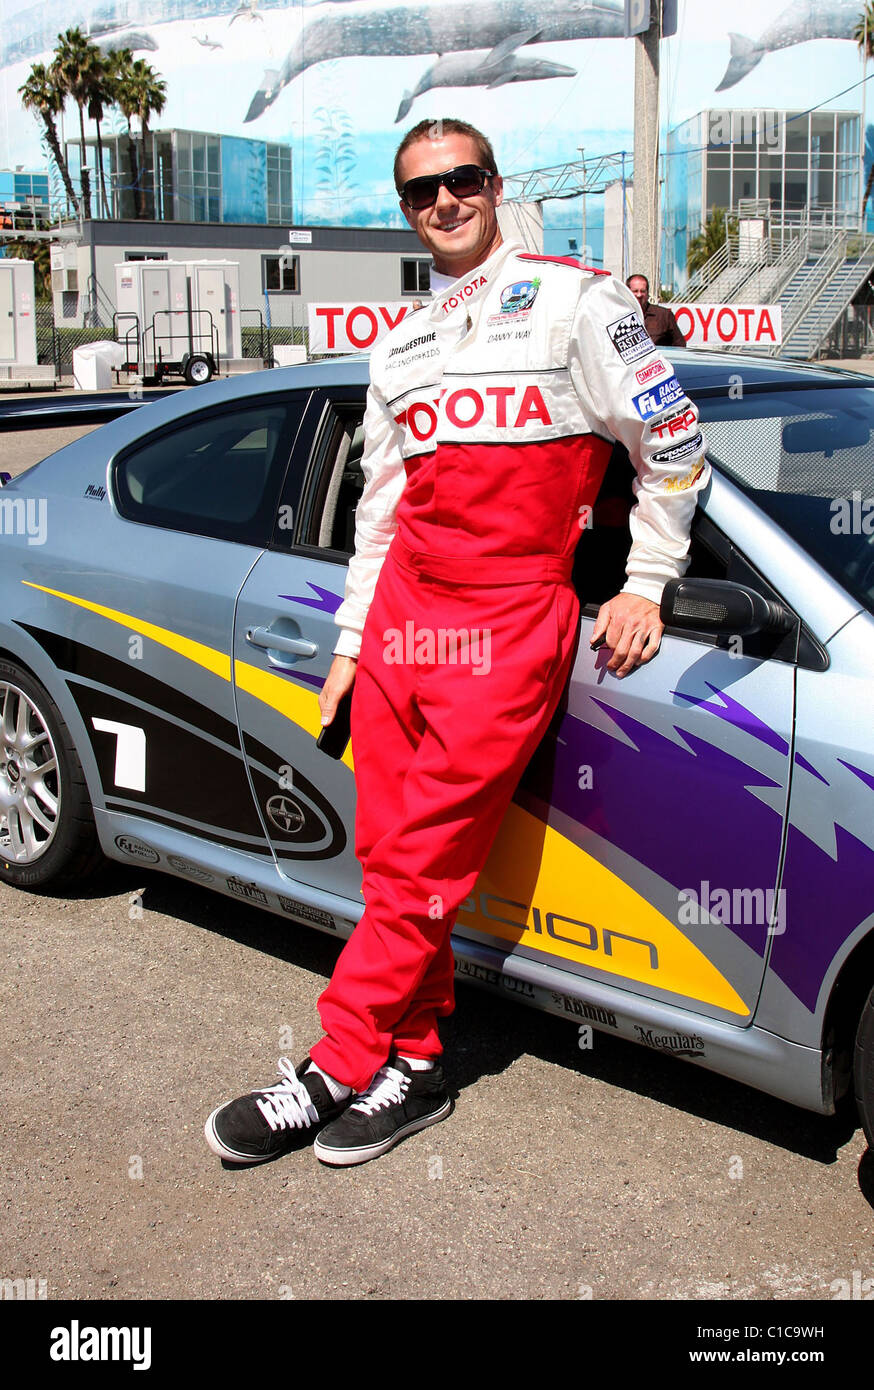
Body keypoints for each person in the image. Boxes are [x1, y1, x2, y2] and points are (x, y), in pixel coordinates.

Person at [205, 118, 708, 1169]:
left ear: (493, 183)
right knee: (393, 857)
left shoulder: (579, 298)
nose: (443, 201)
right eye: (420, 190)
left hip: (511, 619)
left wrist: (646, 583)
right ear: (404, 210)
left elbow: (673, 444)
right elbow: (377, 516)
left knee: (423, 861)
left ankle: (335, 1063)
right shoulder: (397, 343)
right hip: (398, 625)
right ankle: (418, 1060)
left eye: (462, 179)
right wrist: (351, 640)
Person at [626, 272, 687, 347]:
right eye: (635, 291)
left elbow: (680, 345)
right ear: (627, 293)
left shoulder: (664, 315)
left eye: (643, 291)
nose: (639, 295)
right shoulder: (619, 316)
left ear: (647, 293)